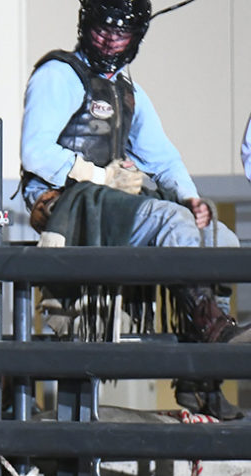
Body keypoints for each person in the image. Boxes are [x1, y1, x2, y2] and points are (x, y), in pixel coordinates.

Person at [20, 0, 248, 419]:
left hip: (114, 202)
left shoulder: (129, 92)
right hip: (69, 203)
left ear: (135, 38)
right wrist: (98, 176)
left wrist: (191, 199)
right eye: (101, 29)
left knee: (221, 237)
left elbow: (164, 160)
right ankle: (212, 326)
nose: (109, 38)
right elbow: (34, 152)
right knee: (173, 222)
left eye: (120, 31)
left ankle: (201, 385)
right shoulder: (57, 75)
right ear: (85, 26)